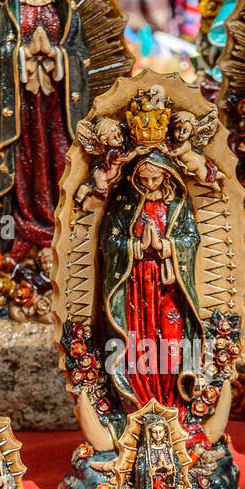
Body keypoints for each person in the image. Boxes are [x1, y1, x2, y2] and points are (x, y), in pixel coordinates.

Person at [100, 154, 202, 432]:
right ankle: (139, 405)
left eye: (155, 179)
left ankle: (172, 405)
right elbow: (109, 242)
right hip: (135, 285)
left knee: (170, 342)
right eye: (143, 180)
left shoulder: (179, 204)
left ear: (166, 176)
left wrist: (167, 246)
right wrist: (135, 248)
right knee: (137, 342)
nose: (149, 184)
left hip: (169, 285)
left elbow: (192, 239)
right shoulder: (124, 204)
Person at [0, 0, 89, 262]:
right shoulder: (12, 7)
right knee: (25, 163)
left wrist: (57, 55)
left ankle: (62, 225)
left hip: (59, 104)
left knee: (60, 158)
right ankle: (23, 230)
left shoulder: (66, 8)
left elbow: (81, 53)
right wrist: (23, 54)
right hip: (24, 108)